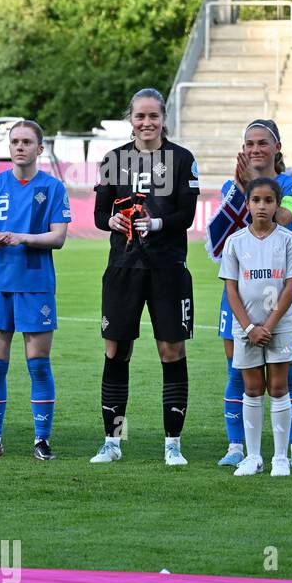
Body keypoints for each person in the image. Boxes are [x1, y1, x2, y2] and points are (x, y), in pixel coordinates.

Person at [91, 87, 200, 466]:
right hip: (123, 268)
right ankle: (113, 440)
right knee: (117, 350)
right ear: (131, 119)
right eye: (140, 116)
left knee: (171, 350)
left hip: (167, 268)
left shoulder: (182, 159)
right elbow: (99, 213)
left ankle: (173, 444)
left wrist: (156, 222)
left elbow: (186, 215)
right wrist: (112, 220)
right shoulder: (113, 160)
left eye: (153, 116)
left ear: (164, 118)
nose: (147, 123)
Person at [210, 120, 292, 469]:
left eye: (262, 143)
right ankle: (237, 447)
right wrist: (237, 191)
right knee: (237, 374)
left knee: (289, 375)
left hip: (282, 299)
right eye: (249, 143)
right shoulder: (229, 186)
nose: (255, 149)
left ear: (277, 148)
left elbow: (280, 219)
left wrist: (248, 188)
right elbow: (225, 238)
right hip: (238, 298)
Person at [0, 120, 70, 460]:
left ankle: (42, 440)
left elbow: (58, 237)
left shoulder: (54, 188)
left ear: (39, 148)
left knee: (38, 364)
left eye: (27, 141)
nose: (20, 147)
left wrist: (22, 237)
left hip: (36, 285)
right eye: (15, 141)